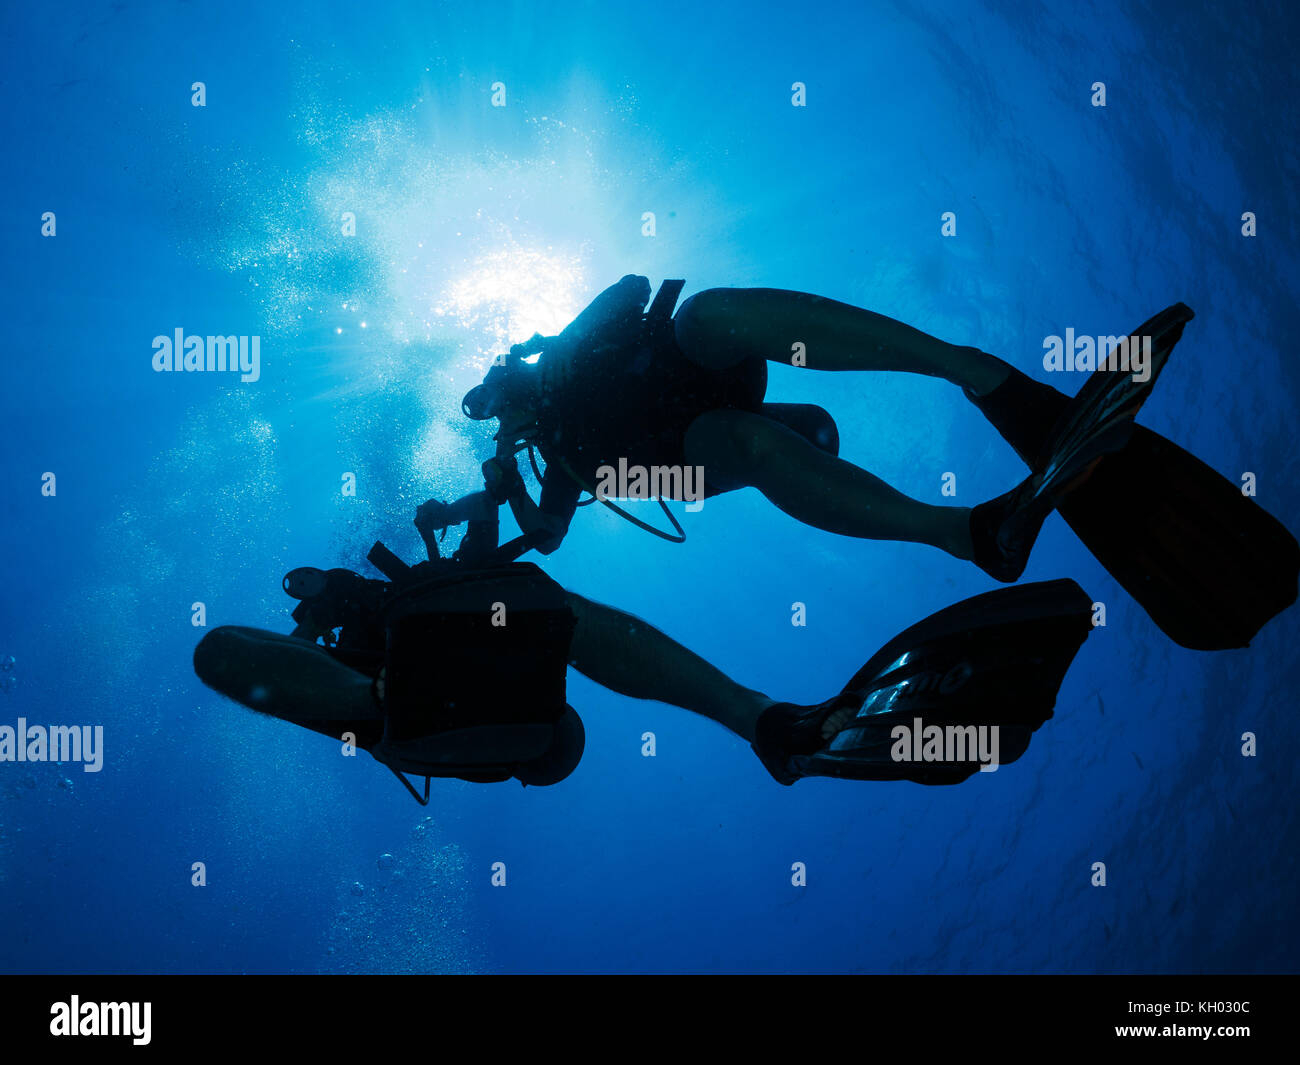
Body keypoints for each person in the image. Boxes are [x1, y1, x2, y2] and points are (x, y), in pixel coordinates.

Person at [451, 277, 1297, 650]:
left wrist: (549, 350)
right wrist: (507, 482)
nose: (499, 400)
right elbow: (552, 537)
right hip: (681, 447)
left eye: (493, 386)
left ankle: (970, 369)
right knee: (741, 445)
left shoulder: (564, 347)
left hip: (694, 362)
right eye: (489, 405)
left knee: (708, 310)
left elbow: (634, 283)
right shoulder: (555, 454)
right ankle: (972, 532)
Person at [193, 494, 1096, 798]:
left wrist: (473, 509)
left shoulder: (450, 598)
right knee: (555, 625)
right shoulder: (365, 634)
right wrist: (341, 620)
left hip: (473, 700)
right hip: (429, 704)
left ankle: (771, 722)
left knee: (552, 619)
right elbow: (228, 657)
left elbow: (530, 531)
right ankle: (763, 720)